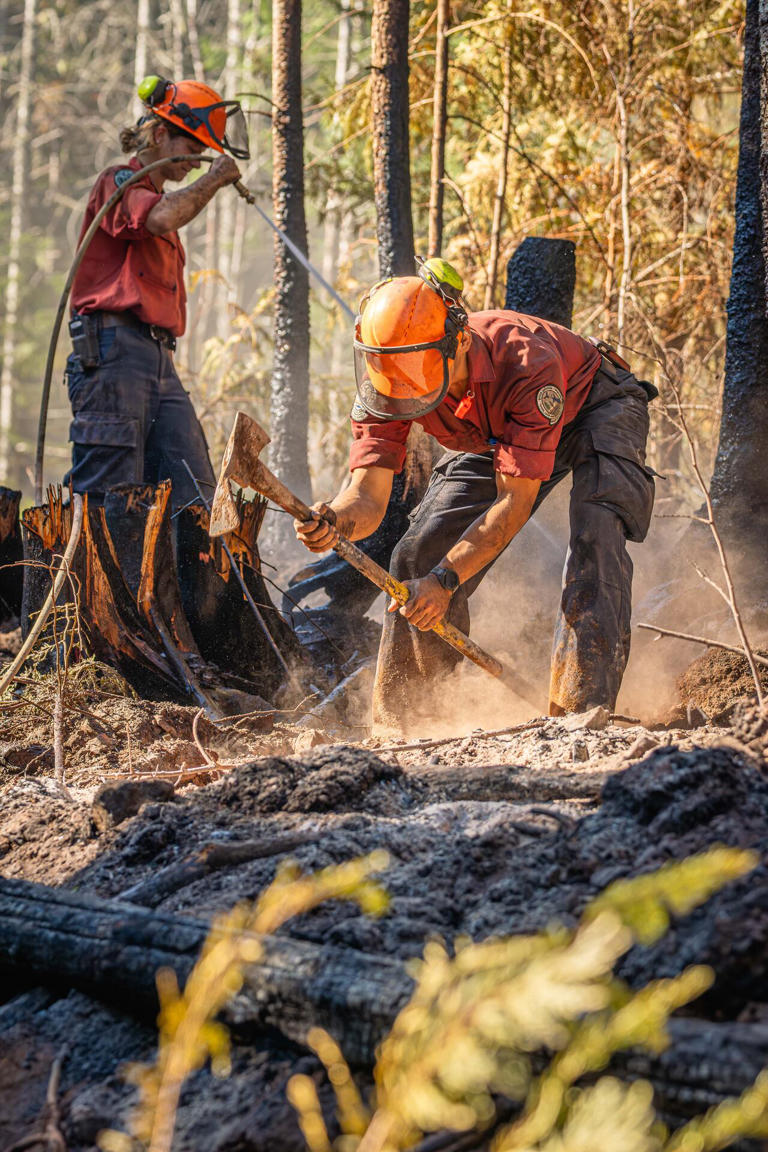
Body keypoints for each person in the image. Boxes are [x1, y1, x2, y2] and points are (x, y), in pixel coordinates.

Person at [294, 259, 657, 733]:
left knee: (595, 540)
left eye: (415, 377)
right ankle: (417, 718)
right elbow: (367, 494)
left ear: (457, 342)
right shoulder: (388, 384)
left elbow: (514, 502)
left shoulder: (529, 362)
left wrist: (445, 582)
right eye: (394, 378)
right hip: (495, 435)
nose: (404, 391)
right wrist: (335, 522)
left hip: (592, 408)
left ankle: (584, 711)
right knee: (417, 553)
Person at [64, 76, 249, 509]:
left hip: (157, 359)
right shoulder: (121, 181)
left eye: (205, 155)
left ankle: (188, 575)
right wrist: (218, 178)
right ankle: (88, 578)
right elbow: (159, 219)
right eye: (192, 149)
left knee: (194, 494)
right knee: (112, 496)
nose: (197, 162)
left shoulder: (156, 196)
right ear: (160, 133)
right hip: (113, 354)